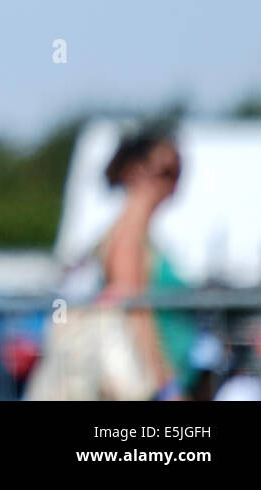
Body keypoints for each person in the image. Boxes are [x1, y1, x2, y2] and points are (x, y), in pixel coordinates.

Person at [96, 120, 196, 400]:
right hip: (146, 386)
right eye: (166, 172)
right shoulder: (129, 233)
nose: (174, 183)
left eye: (178, 172)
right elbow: (136, 314)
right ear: (134, 170)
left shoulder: (141, 234)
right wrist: (167, 386)